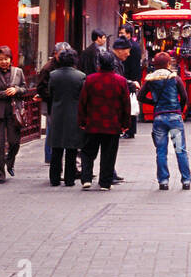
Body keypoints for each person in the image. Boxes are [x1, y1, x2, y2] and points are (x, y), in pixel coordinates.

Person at [77, 50, 130, 191]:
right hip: (112, 124)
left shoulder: (90, 80)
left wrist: (82, 121)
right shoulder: (120, 81)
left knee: (88, 152)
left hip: (93, 122)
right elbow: (126, 104)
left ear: (98, 64)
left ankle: (86, 178)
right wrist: (125, 124)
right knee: (109, 154)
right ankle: (105, 182)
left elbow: (83, 102)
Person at [139, 52, 191, 190]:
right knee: (180, 150)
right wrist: (179, 108)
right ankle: (186, 180)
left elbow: (140, 96)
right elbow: (184, 96)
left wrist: (153, 103)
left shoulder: (150, 79)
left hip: (159, 118)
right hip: (174, 117)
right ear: (169, 64)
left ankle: (163, 181)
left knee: (161, 151)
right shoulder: (175, 78)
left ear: (155, 64)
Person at [0, 46, 28, 183]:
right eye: (1, 59)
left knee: (14, 142)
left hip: (14, 112)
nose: (4, 61)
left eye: (6, 59)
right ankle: (0, 173)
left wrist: (16, 90)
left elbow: (24, 89)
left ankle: (9, 163)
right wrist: (4, 93)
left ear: (10, 59)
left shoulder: (18, 72)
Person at [47, 47, 85, 187]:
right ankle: (69, 179)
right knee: (72, 148)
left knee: (56, 148)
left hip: (57, 113)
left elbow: (50, 93)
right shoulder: (80, 76)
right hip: (74, 114)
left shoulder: (53, 75)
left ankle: (54, 178)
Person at [35, 41, 69, 170]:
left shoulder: (68, 65)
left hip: (63, 103)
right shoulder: (48, 68)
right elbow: (41, 88)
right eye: (62, 53)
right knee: (52, 130)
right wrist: (53, 96)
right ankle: (50, 156)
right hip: (52, 104)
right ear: (55, 54)